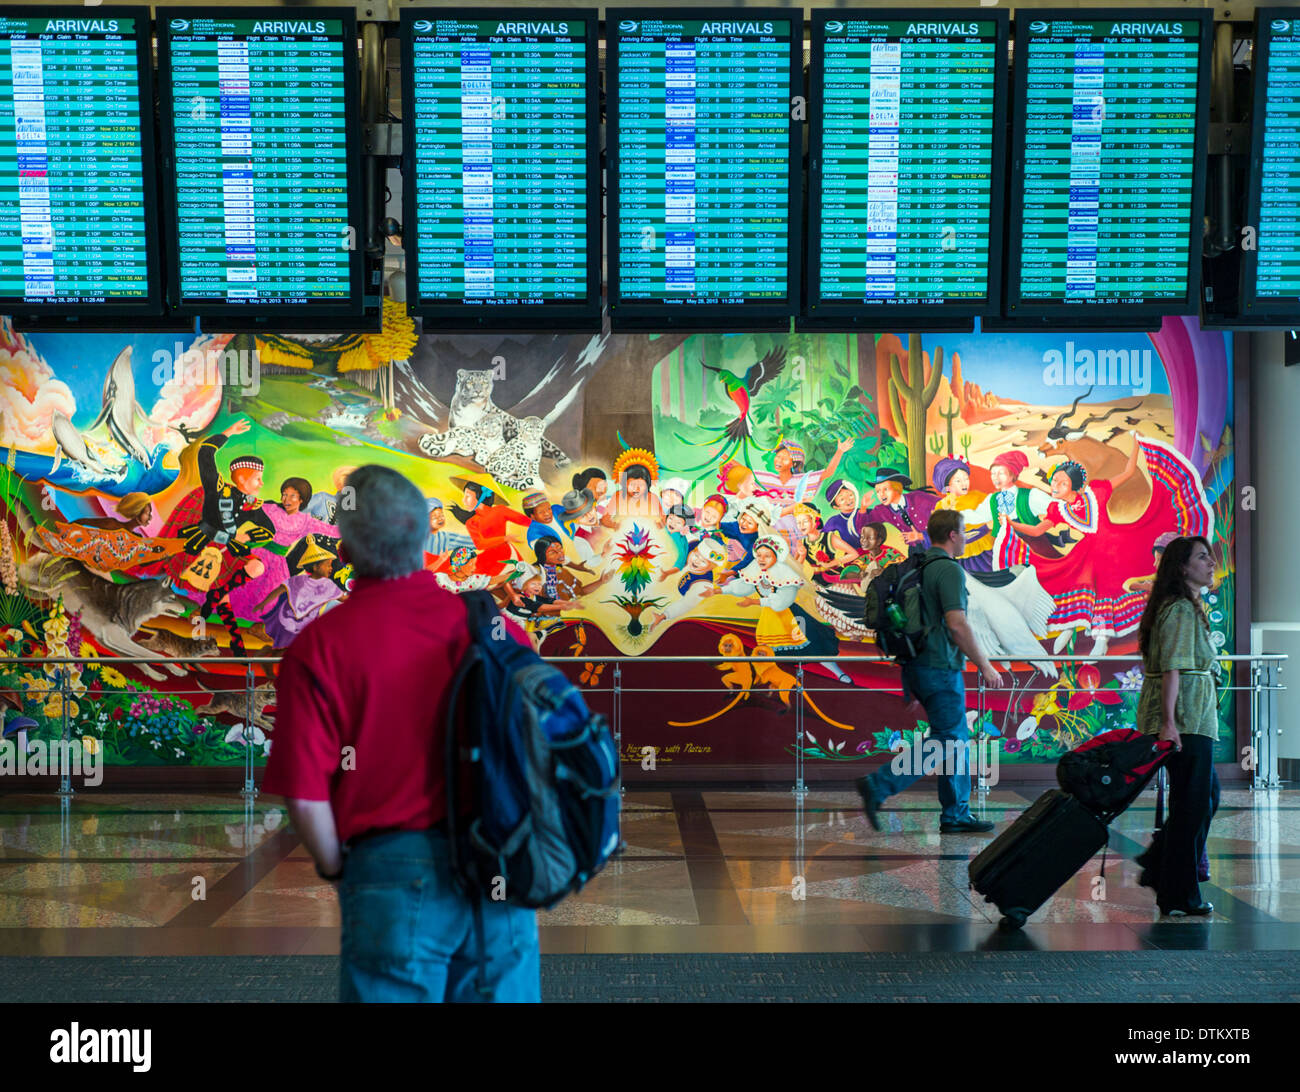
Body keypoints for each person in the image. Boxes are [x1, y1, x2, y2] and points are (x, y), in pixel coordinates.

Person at [262, 464, 540, 1002]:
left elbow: (304, 790)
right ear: (422, 536)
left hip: (391, 870)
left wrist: (335, 864)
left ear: (345, 548)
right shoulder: (495, 626)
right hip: (501, 859)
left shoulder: (321, 646)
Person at [855, 509, 1006, 834]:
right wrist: (985, 665)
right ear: (952, 535)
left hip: (918, 664)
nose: (965, 537)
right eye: (964, 531)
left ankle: (955, 815)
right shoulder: (948, 571)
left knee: (953, 739)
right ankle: (879, 785)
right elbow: (957, 624)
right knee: (949, 738)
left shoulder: (920, 567)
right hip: (939, 666)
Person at [1133, 535, 1221, 917]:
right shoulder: (1181, 609)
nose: (1211, 563)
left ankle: (1158, 866)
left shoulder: (1182, 606)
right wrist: (1169, 723)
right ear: (1182, 567)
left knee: (1204, 798)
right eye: (1202, 558)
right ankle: (1178, 894)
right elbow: (1172, 667)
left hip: (1192, 716)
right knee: (1192, 805)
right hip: (1185, 718)